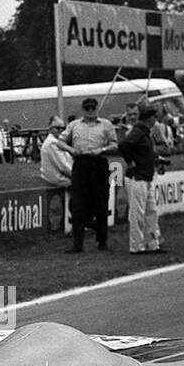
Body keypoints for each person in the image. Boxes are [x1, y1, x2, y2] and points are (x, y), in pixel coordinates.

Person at [60, 97, 117, 251]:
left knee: (101, 203)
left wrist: (102, 150)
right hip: (81, 163)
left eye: (93, 108)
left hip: (98, 163)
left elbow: (114, 143)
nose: (90, 111)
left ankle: (102, 240)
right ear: (83, 109)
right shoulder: (74, 125)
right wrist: (72, 150)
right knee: (78, 203)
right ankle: (77, 244)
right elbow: (60, 141)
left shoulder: (106, 124)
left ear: (97, 109)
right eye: (87, 108)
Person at [118, 104, 162, 254]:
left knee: (151, 211)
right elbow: (124, 144)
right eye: (154, 117)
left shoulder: (144, 132)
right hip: (137, 177)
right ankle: (136, 246)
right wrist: (130, 161)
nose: (156, 120)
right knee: (138, 214)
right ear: (149, 118)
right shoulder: (138, 131)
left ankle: (153, 243)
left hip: (145, 176)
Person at [39, 116, 73, 189]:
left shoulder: (56, 141)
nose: (61, 130)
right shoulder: (52, 143)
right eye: (57, 128)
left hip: (59, 178)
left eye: (63, 128)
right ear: (50, 129)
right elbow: (64, 167)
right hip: (58, 180)